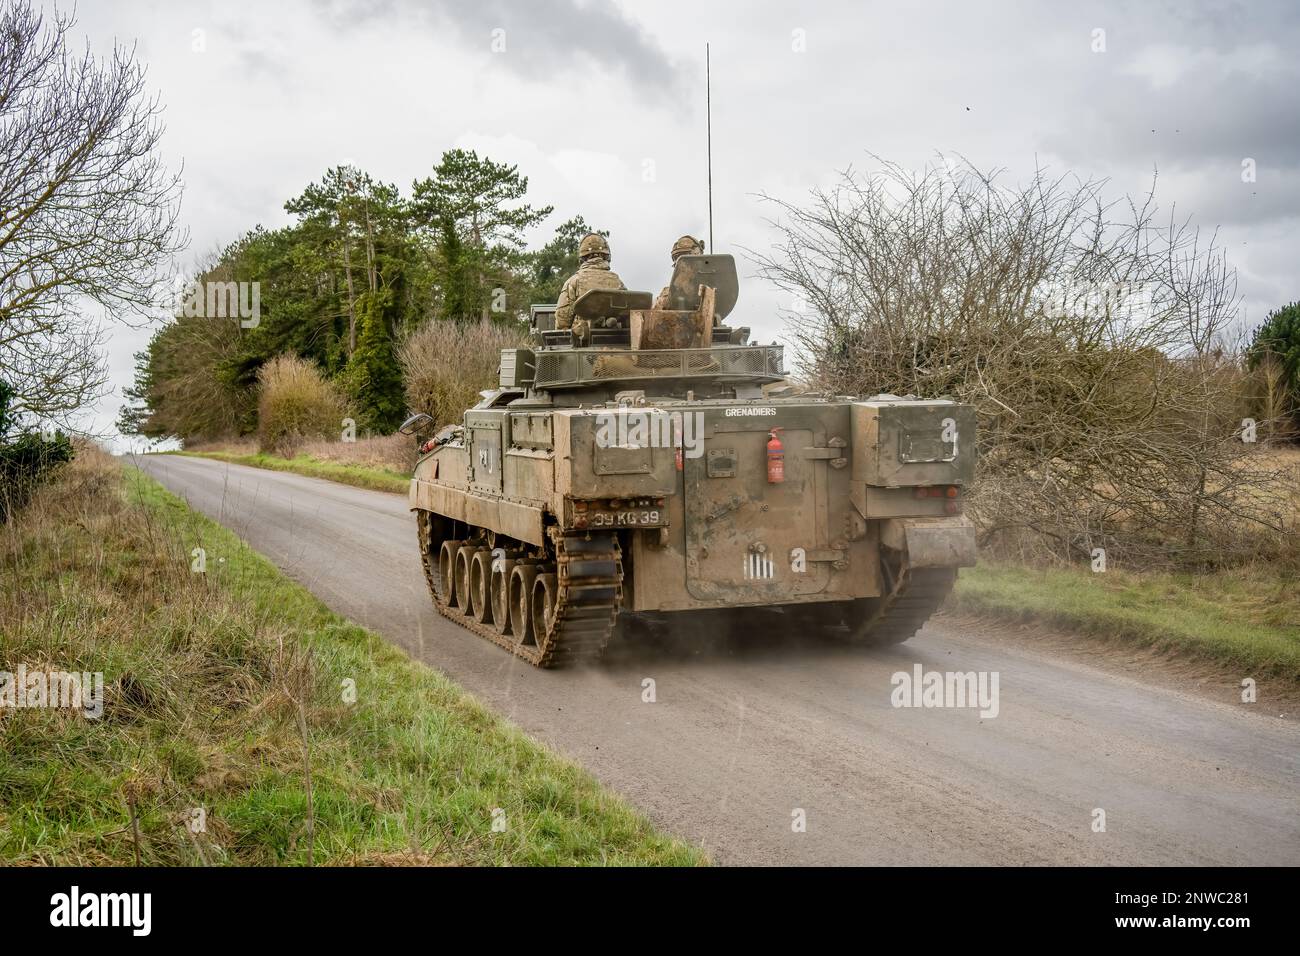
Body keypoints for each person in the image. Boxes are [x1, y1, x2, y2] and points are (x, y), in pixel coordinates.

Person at [555, 233, 625, 343]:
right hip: (616, 344)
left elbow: (562, 323)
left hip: (583, 347)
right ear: (606, 256)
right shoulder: (618, 282)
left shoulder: (573, 282)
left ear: (582, 258)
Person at [652, 234, 704, 309]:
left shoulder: (710, 286)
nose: (681, 266)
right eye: (676, 260)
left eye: (685, 258)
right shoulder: (668, 293)